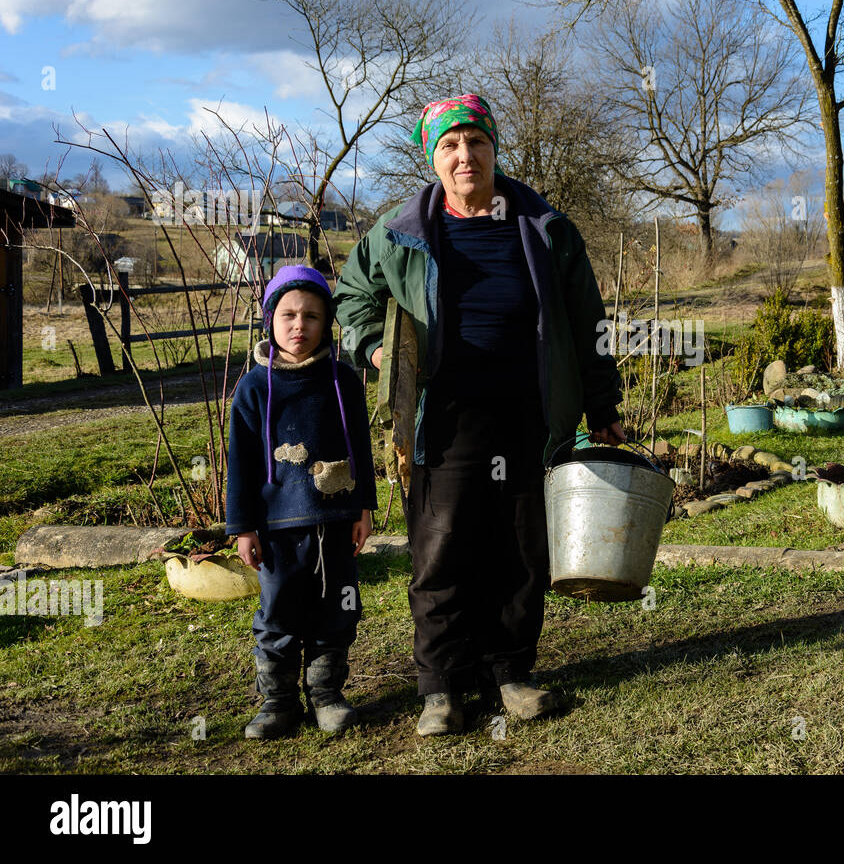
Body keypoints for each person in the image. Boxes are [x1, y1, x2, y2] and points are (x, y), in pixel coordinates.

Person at [333, 93, 624, 737]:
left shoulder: (544, 227)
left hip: (530, 411)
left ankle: (512, 672)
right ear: (434, 160)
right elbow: (351, 296)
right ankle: (441, 688)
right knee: (442, 550)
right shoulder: (400, 233)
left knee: (523, 548)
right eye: (449, 146)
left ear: (494, 148)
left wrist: (602, 406)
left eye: (476, 142)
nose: (465, 156)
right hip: (445, 415)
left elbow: (588, 323)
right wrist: (376, 348)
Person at [226, 265, 378, 739]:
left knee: (336, 609)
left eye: (312, 316)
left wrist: (364, 508)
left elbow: (360, 446)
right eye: (288, 314)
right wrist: (243, 527)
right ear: (269, 320)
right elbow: (241, 464)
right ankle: (278, 702)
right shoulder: (253, 389)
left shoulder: (344, 382)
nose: (299, 325)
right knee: (278, 614)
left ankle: (327, 696)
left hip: (335, 520)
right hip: (276, 528)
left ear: (327, 322)